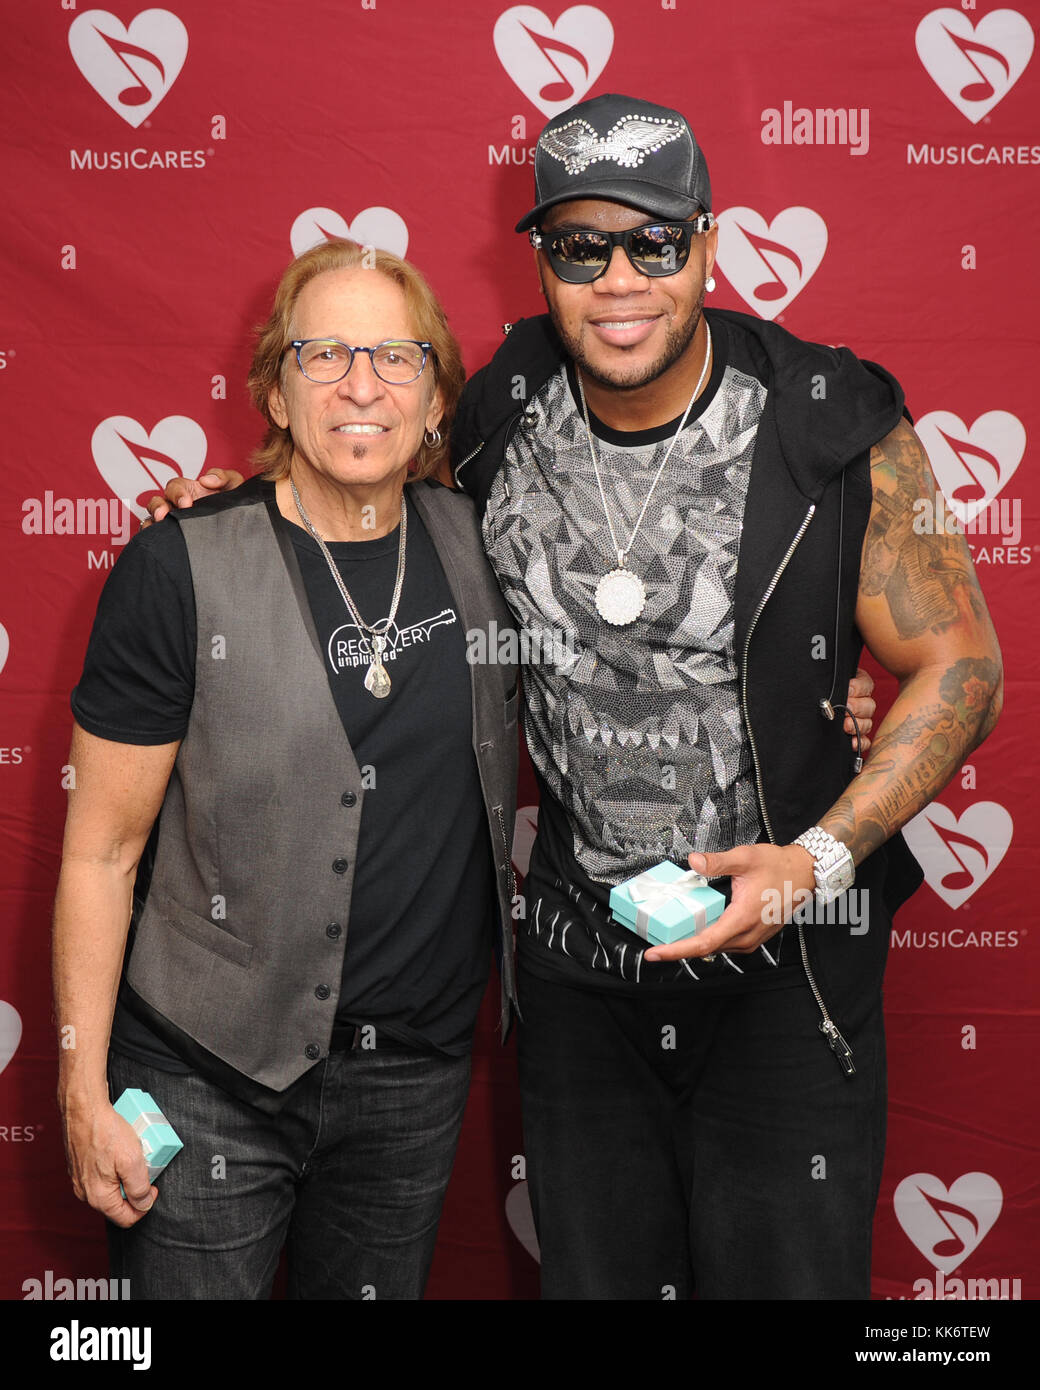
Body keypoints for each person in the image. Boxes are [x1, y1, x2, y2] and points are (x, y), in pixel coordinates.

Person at [147, 95, 976, 1301]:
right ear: (541, 259)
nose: (619, 277)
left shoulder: (826, 418)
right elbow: (360, 492)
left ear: (706, 241)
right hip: (583, 974)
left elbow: (962, 663)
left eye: (653, 240)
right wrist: (233, 509)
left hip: (785, 971)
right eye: (581, 246)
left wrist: (818, 859)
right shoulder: (500, 408)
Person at [53, 237, 520, 1300]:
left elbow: (635, 681)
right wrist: (83, 1089)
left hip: (412, 1076)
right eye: (324, 355)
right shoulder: (178, 562)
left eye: (396, 359)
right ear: (273, 388)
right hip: (202, 1073)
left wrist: (836, 702)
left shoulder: (494, 552)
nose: (362, 385)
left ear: (436, 396)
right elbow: (101, 851)